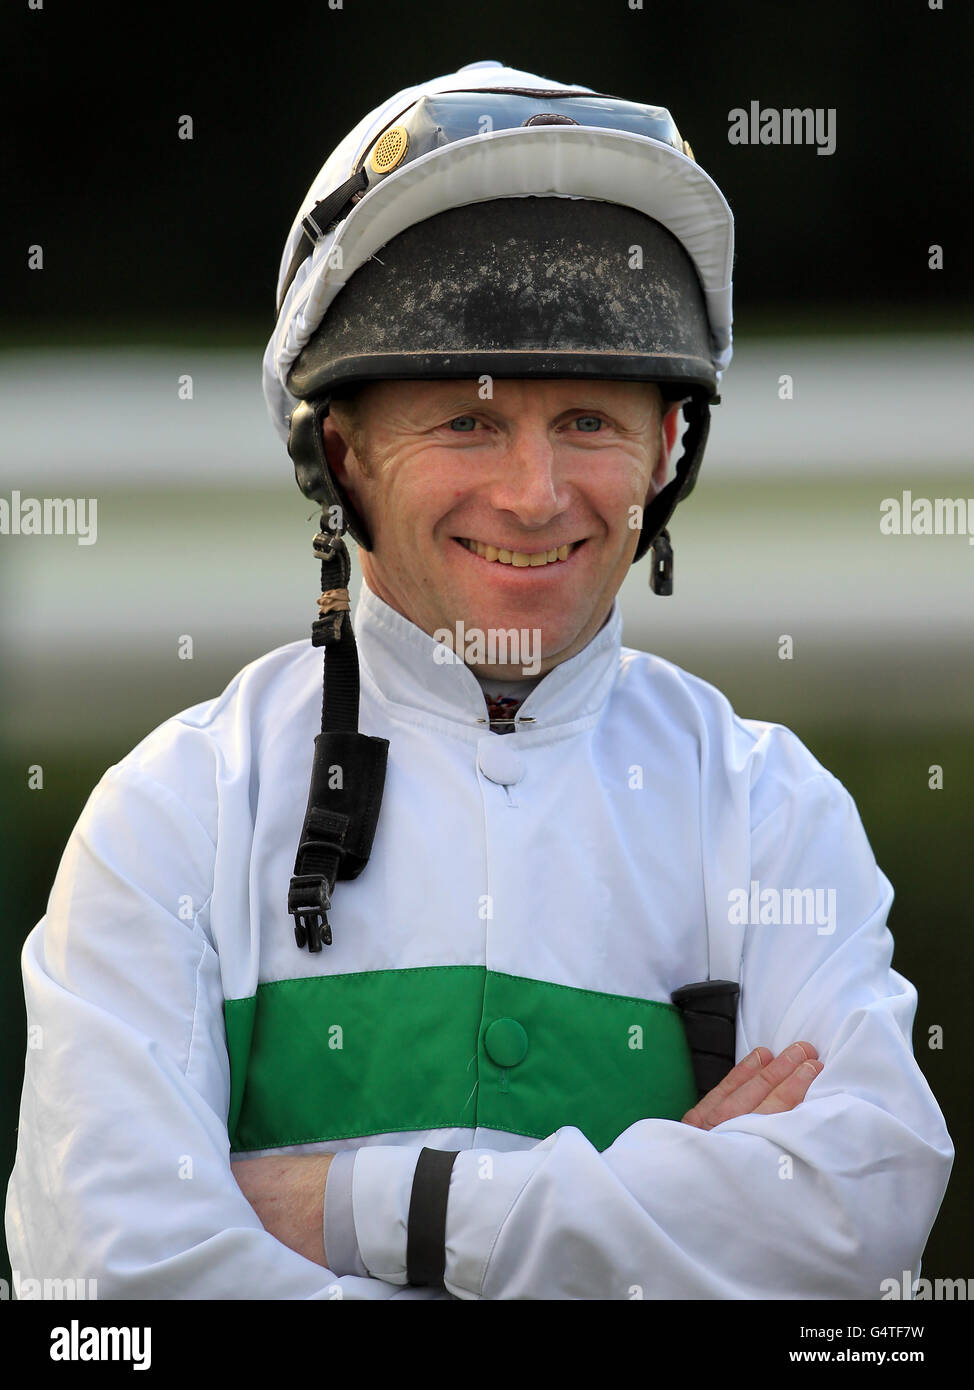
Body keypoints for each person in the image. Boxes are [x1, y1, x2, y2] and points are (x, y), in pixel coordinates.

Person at [5, 60, 953, 1301]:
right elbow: (116, 1289)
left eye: (587, 422)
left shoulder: (773, 812)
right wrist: (669, 1212)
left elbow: (861, 1211)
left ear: (667, 448)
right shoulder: (169, 816)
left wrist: (363, 1206)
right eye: (466, 422)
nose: (533, 495)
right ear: (339, 451)